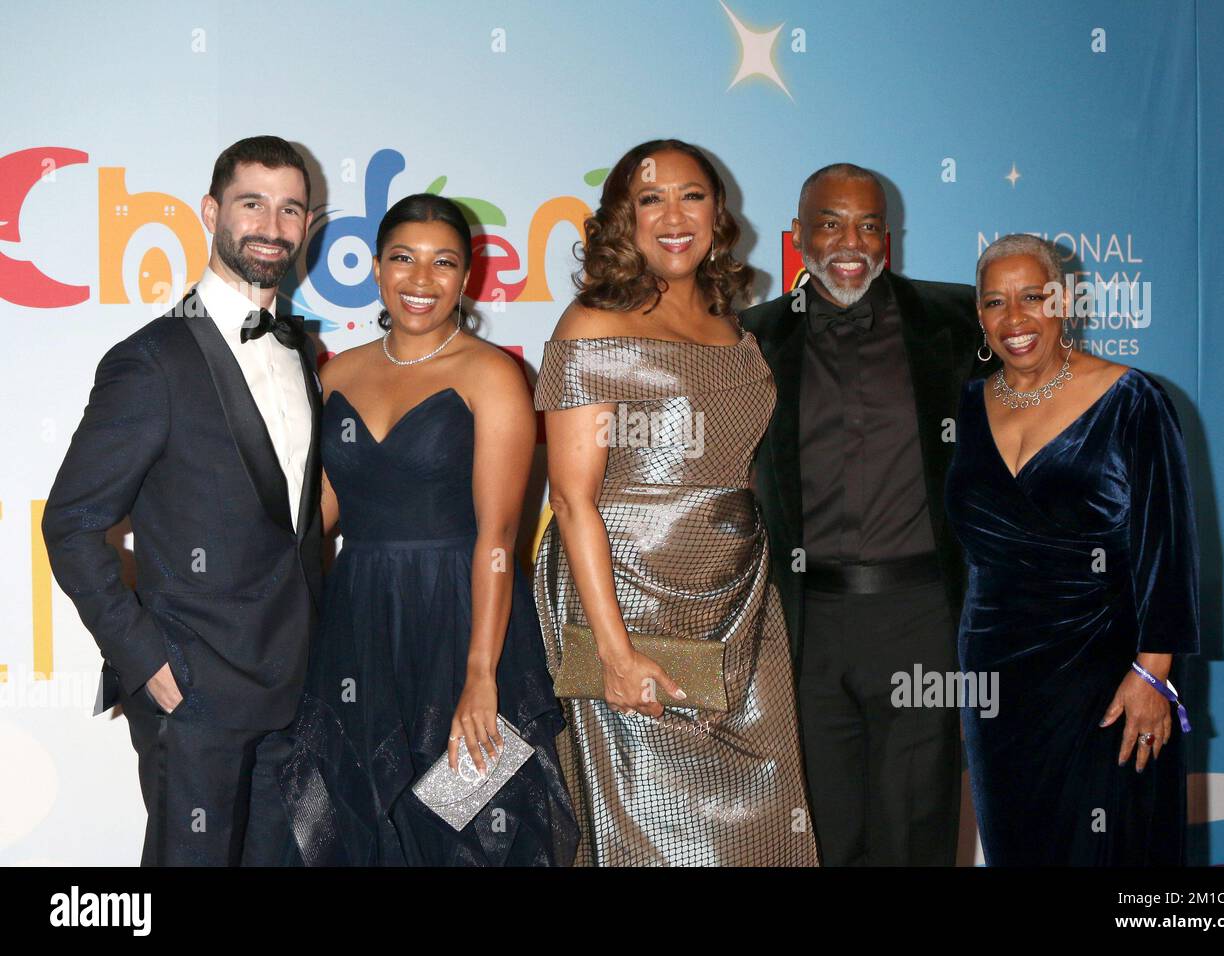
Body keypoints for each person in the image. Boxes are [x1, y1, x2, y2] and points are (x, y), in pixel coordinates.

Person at [533, 139, 818, 866]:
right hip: (626, 603)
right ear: (621, 220)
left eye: (691, 195)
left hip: (739, 606)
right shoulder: (592, 325)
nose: (673, 215)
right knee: (646, 836)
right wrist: (615, 653)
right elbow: (571, 500)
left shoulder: (733, 323)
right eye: (649, 198)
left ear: (718, 212)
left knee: (758, 829)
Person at [43, 136, 320, 865]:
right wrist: (142, 658)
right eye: (251, 202)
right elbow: (71, 524)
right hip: (192, 691)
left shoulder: (303, 354)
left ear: (307, 226)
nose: (271, 223)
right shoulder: (153, 360)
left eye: (290, 207)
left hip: (292, 686)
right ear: (210, 211)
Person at [276, 194, 577, 866]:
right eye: (403, 259)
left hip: (463, 619)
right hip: (359, 625)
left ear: (467, 278)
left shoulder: (491, 374)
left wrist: (480, 676)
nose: (421, 279)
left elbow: (499, 538)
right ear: (377, 269)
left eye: (444, 263)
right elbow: (318, 515)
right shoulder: (338, 372)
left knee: (464, 819)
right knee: (363, 818)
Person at [742, 164, 984, 866]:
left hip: (921, 618)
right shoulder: (751, 339)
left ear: (890, 236)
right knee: (821, 830)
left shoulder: (957, 319)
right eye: (830, 223)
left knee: (917, 826)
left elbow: (1047, 407)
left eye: (869, 225)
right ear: (798, 235)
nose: (851, 242)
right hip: (802, 623)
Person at [945, 233, 1198, 865]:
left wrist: (1153, 673)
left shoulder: (1132, 399)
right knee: (1017, 841)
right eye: (996, 302)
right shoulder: (968, 407)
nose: (1015, 318)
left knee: (1109, 845)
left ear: (1065, 301)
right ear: (979, 315)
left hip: (1107, 671)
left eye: (1033, 297)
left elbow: (1167, 546)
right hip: (997, 671)